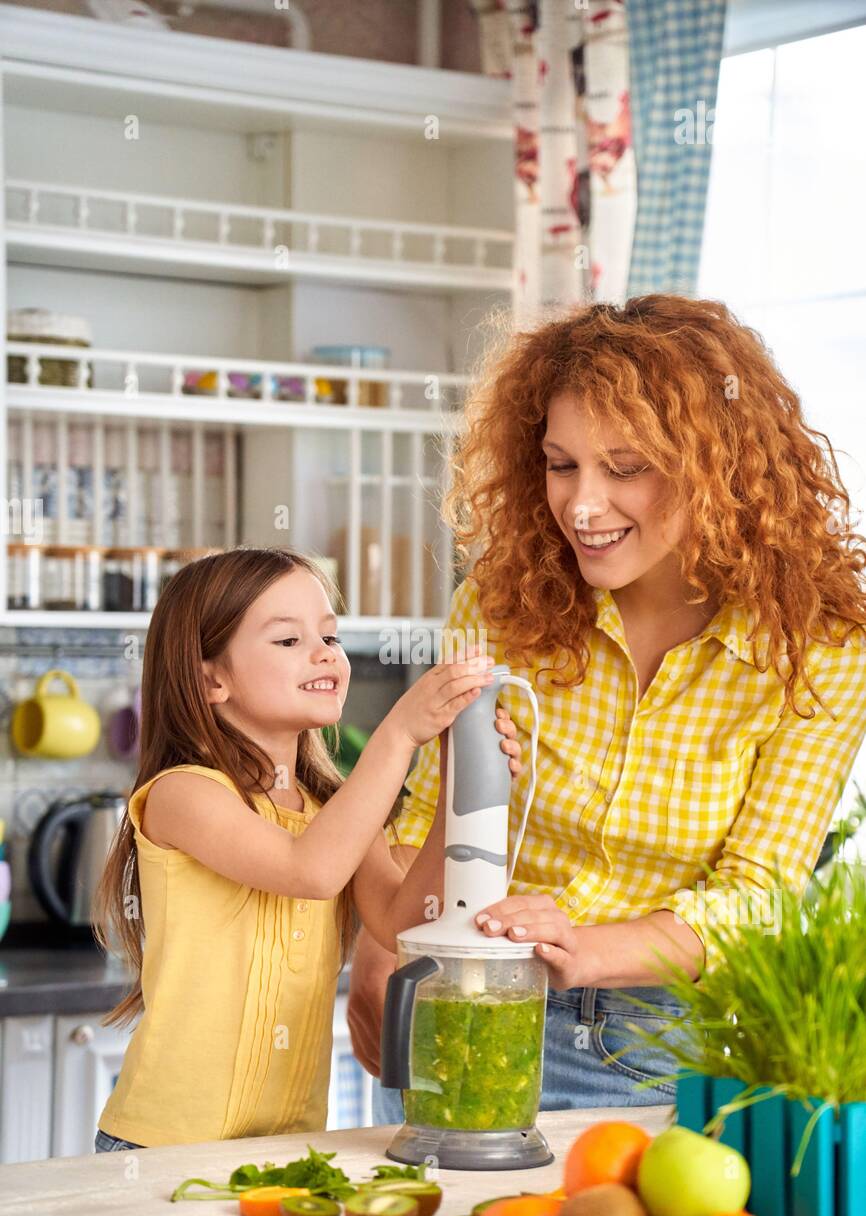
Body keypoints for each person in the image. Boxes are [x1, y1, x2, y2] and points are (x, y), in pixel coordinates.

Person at [348, 293, 866, 1123]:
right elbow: (430, 812)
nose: (583, 507)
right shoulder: (504, 601)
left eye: (626, 469)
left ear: (719, 467)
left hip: (654, 1049)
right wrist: (381, 953)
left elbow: (755, 896)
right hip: (466, 1006)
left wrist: (580, 952)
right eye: (562, 465)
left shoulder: (820, 647)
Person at [91, 546, 522, 1149]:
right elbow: (310, 870)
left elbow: (401, 920)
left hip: (286, 1145)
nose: (325, 654)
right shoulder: (183, 794)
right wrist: (397, 734)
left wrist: (457, 780)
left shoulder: (332, 809)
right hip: (163, 1145)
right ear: (210, 678)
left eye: (330, 636)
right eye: (288, 641)